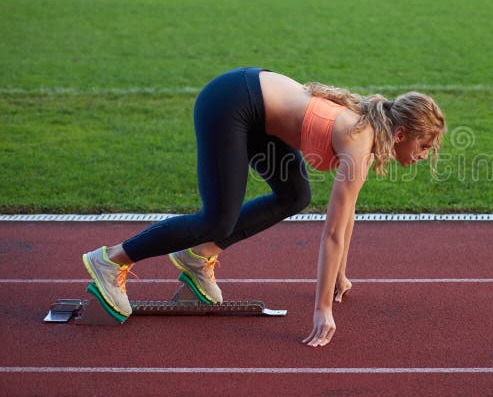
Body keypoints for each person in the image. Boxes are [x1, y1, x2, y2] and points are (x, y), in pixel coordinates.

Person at [81, 66, 446, 347]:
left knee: (294, 195)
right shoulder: (359, 140)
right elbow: (332, 232)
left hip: (257, 113)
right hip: (231, 103)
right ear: (400, 134)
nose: (423, 155)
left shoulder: (367, 142)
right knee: (216, 219)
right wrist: (322, 309)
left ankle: (197, 256)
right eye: (424, 146)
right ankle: (112, 259)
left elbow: (345, 217)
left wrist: (340, 274)